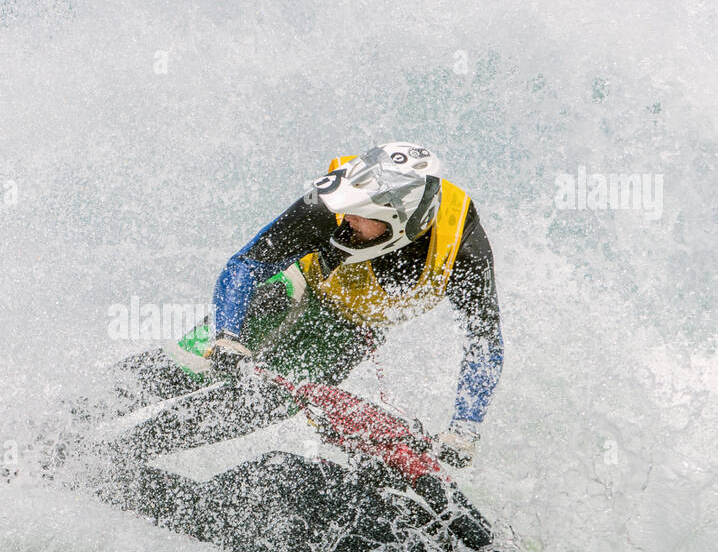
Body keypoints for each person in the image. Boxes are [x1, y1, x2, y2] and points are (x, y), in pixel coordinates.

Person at [103, 142, 504, 469]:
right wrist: (228, 337)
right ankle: (63, 422)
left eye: (360, 217)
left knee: (260, 405)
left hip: (352, 329)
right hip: (295, 286)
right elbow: (247, 265)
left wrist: (464, 428)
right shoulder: (330, 208)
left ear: (402, 223)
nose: (345, 218)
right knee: (195, 364)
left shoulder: (462, 250)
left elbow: (484, 341)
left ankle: (118, 457)